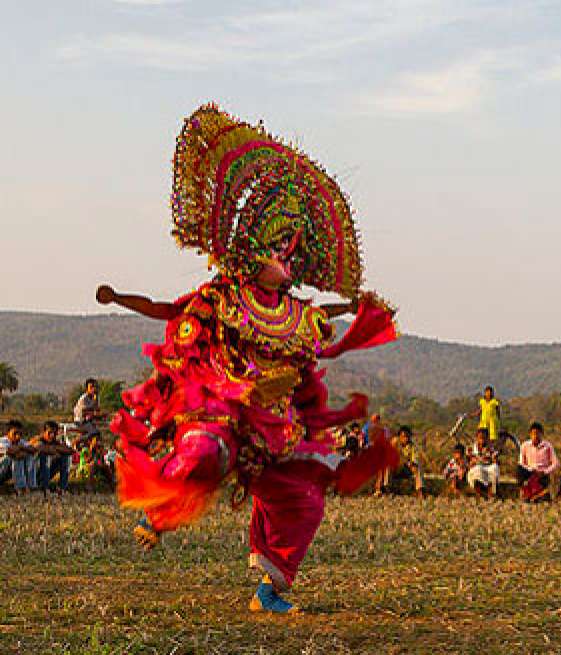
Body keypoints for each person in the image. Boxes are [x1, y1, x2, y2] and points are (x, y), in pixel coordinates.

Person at [97, 104, 399, 615]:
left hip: (274, 428)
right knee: (202, 457)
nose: (289, 255)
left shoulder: (296, 314)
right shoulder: (223, 296)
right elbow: (168, 309)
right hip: (221, 408)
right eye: (280, 245)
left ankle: (269, 592)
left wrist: (355, 307)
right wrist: (120, 298)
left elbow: (322, 317)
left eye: (293, 248)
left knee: (304, 501)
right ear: (254, 249)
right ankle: (157, 513)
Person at [518, 422, 558, 503]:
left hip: (542, 473)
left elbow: (555, 463)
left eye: (537, 433)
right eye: (533, 433)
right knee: (519, 469)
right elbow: (521, 462)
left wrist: (545, 471)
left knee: (553, 481)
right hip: (530, 471)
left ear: (541, 434)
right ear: (530, 434)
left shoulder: (548, 446)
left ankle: (535, 495)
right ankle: (526, 492)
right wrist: (531, 469)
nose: (535, 436)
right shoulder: (525, 445)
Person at [377, 426, 423, 497]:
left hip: (405, 468)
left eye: (407, 436)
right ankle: (385, 487)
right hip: (394, 468)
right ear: (399, 436)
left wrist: (412, 463)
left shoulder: (412, 446)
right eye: (403, 436)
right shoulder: (395, 442)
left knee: (416, 468)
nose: (405, 438)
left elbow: (415, 459)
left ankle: (419, 490)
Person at [34, 421, 73, 495]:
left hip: (47, 472)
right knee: (46, 456)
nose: (52, 435)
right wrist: (55, 450)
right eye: (50, 433)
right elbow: (40, 447)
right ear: (43, 432)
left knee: (66, 457)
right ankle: (45, 488)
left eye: (54, 433)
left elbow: (70, 450)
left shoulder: (55, 442)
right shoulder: (38, 440)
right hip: (35, 474)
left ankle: (62, 488)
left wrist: (55, 449)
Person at [0, 420, 37, 495]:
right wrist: (22, 449)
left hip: (7, 471)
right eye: (15, 433)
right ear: (8, 433)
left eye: (20, 434)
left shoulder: (20, 442)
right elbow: (10, 451)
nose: (18, 436)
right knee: (14, 457)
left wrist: (21, 448)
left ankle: (31, 486)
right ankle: (21, 487)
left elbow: (33, 449)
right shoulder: (2, 441)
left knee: (29, 457)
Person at [467, 428, 500, 498]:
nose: (482, 439)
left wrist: (493, 459)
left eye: (484, 437)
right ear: (477, 438)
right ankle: (479, 489)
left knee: (495, 468)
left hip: (488, 467)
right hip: (476, 467)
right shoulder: (471, 448)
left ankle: (491, 490)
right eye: (480, 437)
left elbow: (495, 459)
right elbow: (468, 461)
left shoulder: (491, 447)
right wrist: (473, 462)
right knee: (478, 469)